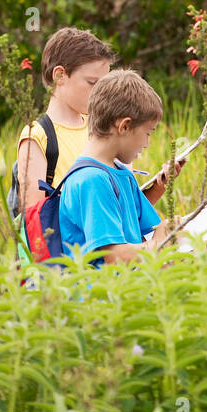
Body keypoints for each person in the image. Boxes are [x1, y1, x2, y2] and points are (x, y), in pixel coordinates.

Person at [58, 69, 174, 265]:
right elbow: (114, 255)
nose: (147, 143)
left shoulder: (121, 173)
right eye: (148, 133)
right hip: (101, 294)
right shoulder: (91, 180)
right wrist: (160, 243)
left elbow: (141, 227)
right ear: (125, 126)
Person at [16, 27, 115, 210]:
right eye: (92, 83)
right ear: (60, 76)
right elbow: (34, 219)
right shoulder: (38, 136)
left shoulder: (99, 129)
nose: (100, 92)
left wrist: (159, 186)